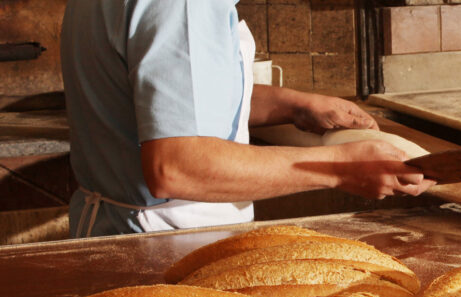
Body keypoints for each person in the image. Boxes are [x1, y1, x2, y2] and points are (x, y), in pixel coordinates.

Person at [60, 0, 433, 238]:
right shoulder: (185, 5)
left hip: (118, 231)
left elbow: (177, 101)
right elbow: (176, 165)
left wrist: (295, 105)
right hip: (165, 243)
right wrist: (339, 168)